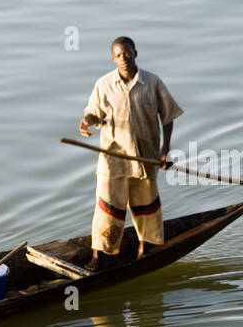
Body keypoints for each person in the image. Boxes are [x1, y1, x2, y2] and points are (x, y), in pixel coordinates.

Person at [78, 37, 182, 272]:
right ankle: (100, 256)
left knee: (147, 208)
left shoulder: (152, 82)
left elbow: (168, 117)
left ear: (135, 53)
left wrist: (165, 151)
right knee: (107, 210)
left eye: (127, 53)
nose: (123, 58)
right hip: (113, 160)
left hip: (145, 158)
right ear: (113, 59)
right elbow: (93, 113)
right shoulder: (104, 85)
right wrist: (87, 121)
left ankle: (146, 250)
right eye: (118, 55)